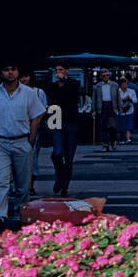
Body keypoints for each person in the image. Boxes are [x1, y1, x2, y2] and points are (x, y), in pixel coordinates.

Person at [0, 64, 43, 227]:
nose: (10, 73)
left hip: (22, 141)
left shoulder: (29, 93)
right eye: (6, 69)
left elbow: (36, 117)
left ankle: (21, 210)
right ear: (1, 73)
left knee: (22, 184)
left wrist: (30, 140)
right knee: (1, 181)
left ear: (18, 72)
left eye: (13, 69)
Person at [48, 62, 81, 194]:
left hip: (71, 122)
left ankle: (64, 186)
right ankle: (60, 177)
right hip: (57, 122)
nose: (58, 72)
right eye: (56, 70)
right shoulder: (52, 86)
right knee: (57, 153)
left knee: (69, 156)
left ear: (67, 71)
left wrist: (64, 83)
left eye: (60, 69)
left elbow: (71, 98)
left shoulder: (73, 84)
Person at [19, 73, 50, 195]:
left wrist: (35, 120)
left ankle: (31, 185)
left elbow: (43, 109)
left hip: (33, 128)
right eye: (22, 77)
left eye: (25, 76)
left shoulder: (38, 92)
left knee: (32, 157)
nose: (24, 79)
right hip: (18, 128)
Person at [92, 69, 119, 152]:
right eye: (104, 76)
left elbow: (118, 97)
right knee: (103, 126)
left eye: (107, 75)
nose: (106, 77)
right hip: (102, 106)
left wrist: (120, 107)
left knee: (112, 126)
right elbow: (94, 99)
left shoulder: (114, 85)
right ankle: (105, 144)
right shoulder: (97, 86)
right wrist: (93, 110)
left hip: (111, 105)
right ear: (101, 76)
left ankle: (113, 140)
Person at [116, 77, 138, 144]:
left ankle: (128, 138)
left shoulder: (131, 91)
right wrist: (123, 99)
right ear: (120, 85)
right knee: (121, 125)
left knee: (129, 125)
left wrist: (130, 99)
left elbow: (135, 100)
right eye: (123, 84)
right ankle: (122, 139)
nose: (125, 86)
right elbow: (116, 101)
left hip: (129, 110)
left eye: (126, 84)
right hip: (121, 111)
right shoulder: (118, 92)